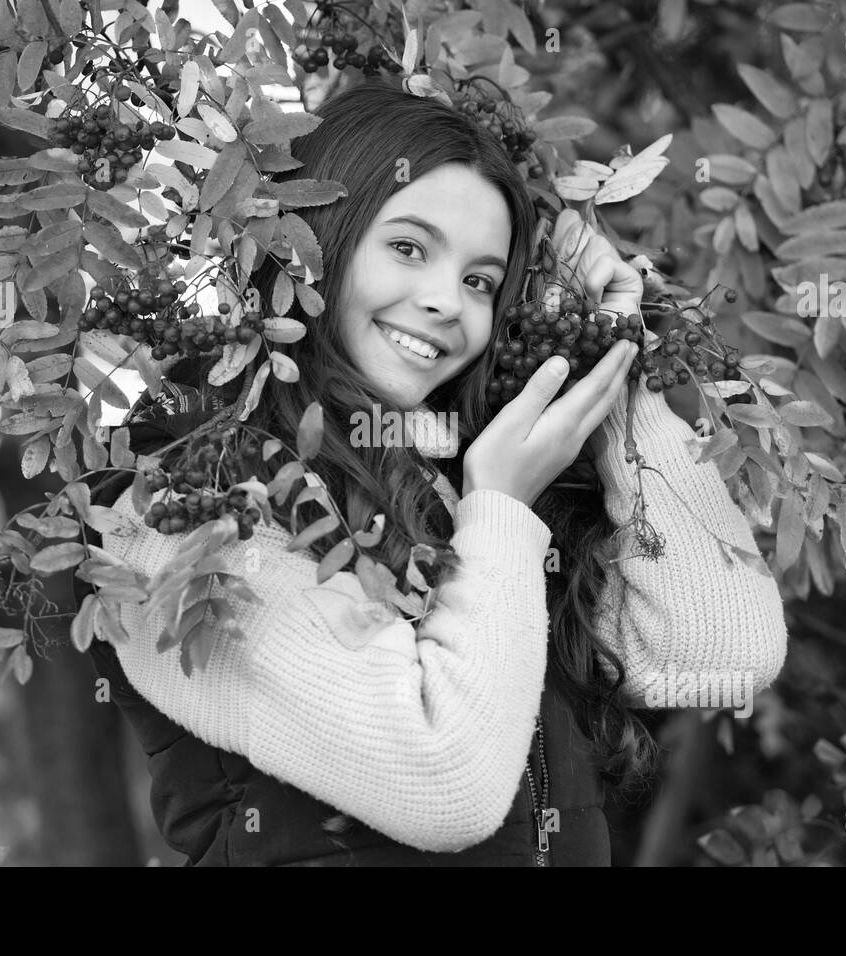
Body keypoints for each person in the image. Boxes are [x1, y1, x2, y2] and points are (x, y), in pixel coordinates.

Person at [86, 79, 788, 866]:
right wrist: (499, 507)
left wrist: (608, 368)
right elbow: (444, 784)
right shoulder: (178, 494)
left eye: (481, 281)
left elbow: (723, 654)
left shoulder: (472, 473)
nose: (447, 303)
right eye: (409, 248)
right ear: (316, 239)